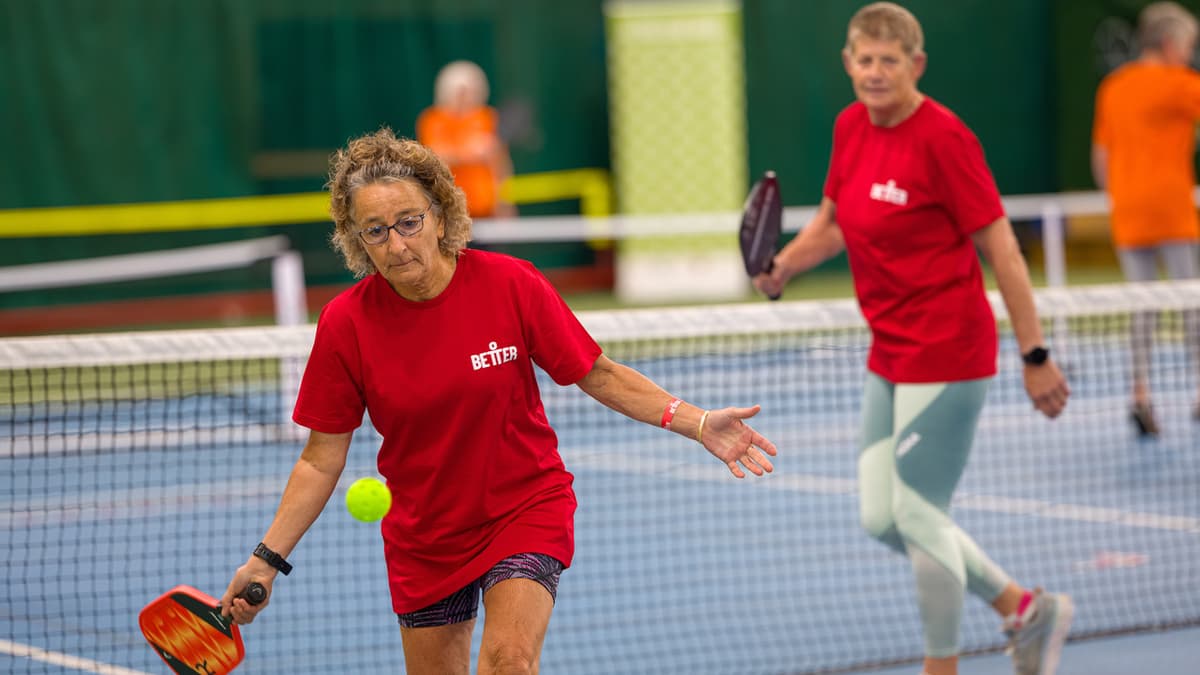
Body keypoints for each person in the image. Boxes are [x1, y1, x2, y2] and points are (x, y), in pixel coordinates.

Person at [219, 127, 778, 675]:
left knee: (509, 662)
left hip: (523, 507)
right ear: (354, 238)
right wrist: (265, 559)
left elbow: (598, 373)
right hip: (425, 535)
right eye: (375, 231)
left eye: (409, 222)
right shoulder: (346, 324)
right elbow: (321, 457)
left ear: (439, 215)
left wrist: (698, 422)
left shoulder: (511, 284)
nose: (397, 244)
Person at [754, 4, 1072, 674]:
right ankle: (1024, 607)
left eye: (888, 61)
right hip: (889, 351)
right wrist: (784, 265)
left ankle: (942, 664)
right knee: (882, 516)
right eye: (864, 60)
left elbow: (1004, 251)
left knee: (920, 512)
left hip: (950, 350)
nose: (875, 73)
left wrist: (1035, 353)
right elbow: (836, 225)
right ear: (848, 63)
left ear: (916, 65)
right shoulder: (849, 127)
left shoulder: (946, 138)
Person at [1091, 1, 1200, 437]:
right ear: (1171, 43)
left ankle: (1140, 394)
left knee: (1140, 306)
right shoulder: (1183, 84)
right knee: (1192, 304)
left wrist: (1117, 198)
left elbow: (1100, 156)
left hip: (1129, 211)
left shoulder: (1112, 87)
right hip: (1172, 210)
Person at [417, 60, 517, 219]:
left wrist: (504, 203)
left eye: (472, 90)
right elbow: (434, 156)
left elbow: (500, 164)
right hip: (449, 207)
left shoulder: (488, 117)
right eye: (462, 91)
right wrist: (468, 152)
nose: (467, 96)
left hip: (485, 209)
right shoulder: (433, 120)